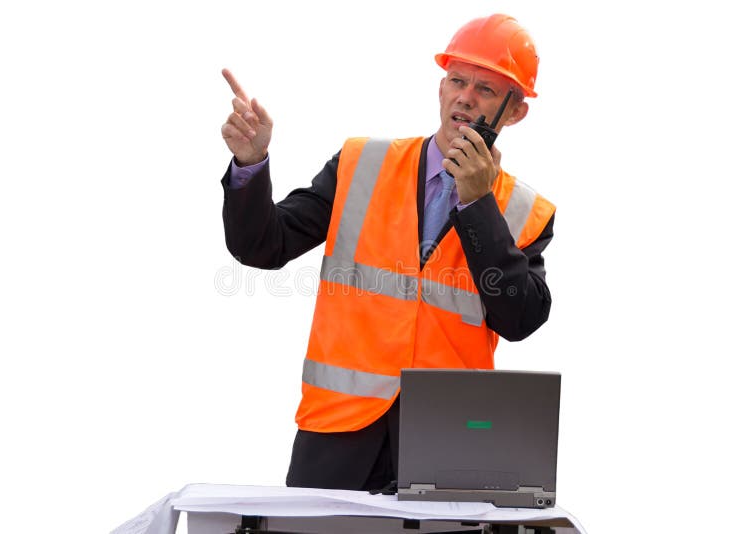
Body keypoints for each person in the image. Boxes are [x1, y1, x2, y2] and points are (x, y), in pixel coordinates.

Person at [219, 14, 555, 491]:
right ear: (441, 89)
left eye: (485, 89)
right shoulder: (361, 164)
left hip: (450, 448)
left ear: (515, 111)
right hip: (335, 438)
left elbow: (520, 318)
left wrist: (479, 203)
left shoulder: (525, 212)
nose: (465, 96)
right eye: (458, 81)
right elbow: (263, 245)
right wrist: (250, 164)